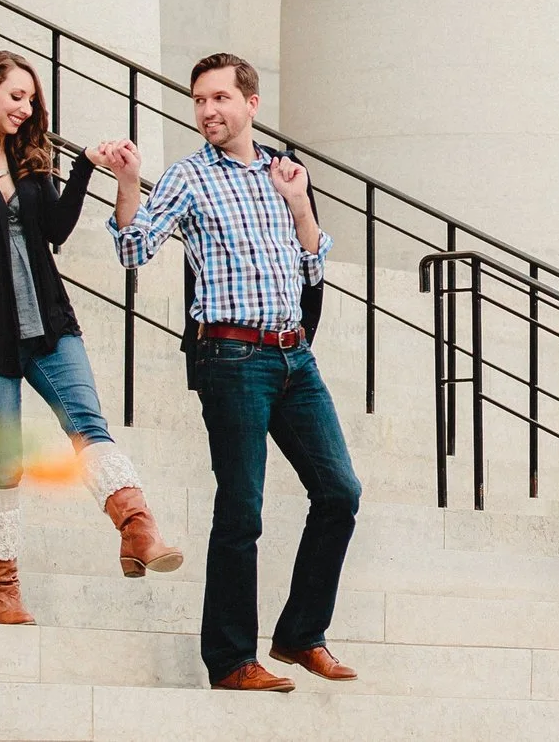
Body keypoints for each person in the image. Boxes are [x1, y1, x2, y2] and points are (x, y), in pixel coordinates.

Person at [93, 51, 361, 693]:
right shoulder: (189, 177)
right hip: (232, 358)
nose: (207, 111)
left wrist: (300, 203)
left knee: (340, 493)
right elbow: (133, 248)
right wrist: (128, 183)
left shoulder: (283, 175)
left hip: (294, 356)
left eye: (219, 98)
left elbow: (312, 266)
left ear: (251, 104)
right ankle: (231, 660)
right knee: (242, 508)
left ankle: (300, 635)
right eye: (199, 100)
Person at [0, 49, 182, 625]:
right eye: (16, 96)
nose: (25, 108)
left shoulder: (31, 159)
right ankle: (2, 589)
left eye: (31, 99)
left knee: (88, 424)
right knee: (3, 460)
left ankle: (137, 529)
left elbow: (56, 229)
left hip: (48, 323)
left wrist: (84, 167)